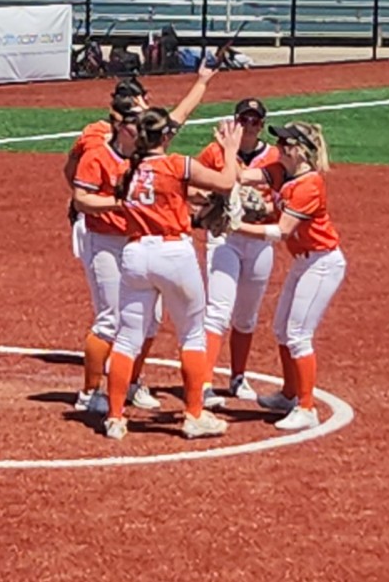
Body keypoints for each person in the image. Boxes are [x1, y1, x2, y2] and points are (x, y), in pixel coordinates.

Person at [64, 68, 217, 415]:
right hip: (104, 239)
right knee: (110, 318)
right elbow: (82, 199)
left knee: (151, 319)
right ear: (120, 125)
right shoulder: (98, 154)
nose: (143, 128)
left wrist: (203, 81)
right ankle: (90, 392)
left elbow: (180, 116)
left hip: (136, 243)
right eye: (135, 122)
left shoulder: (146, 155)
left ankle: (131, 381)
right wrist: (122, 203)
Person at [90, 109, 241, 441]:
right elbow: (227, 182)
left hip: (135, 254)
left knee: (127, 338)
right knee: (193, 335)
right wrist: (230, 151)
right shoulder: (177, 164)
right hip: (173, 253)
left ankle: (115, 418)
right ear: (166, 136)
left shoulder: (126, 170)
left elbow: (162, 195)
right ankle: (194, 415)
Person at [233, 121, 346, 432]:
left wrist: (237, 226)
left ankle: (306, 408)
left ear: (301, 150)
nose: (279, 148)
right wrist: (230, 150)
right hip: (303, 262)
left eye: (286, 143)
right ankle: (289, 394)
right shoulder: (283, 171)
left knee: (298, 335)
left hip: (322, 263)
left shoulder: (309, 185)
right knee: (282, 329)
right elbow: (242, 176)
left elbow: (281, 231)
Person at [196, 98, 280, 406]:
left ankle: (238, 377)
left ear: (262, 125)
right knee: (218, 311)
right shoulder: (214, 152)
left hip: (259, 240)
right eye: (244, 120)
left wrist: (263, 208)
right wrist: (213, 198)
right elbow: (190, 187)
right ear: (235, 122)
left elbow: (283, 200)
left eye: (255, 121)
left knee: (246, 317)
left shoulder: (274, 157)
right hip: (225, 239)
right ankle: (203, 384)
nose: (249, 126)